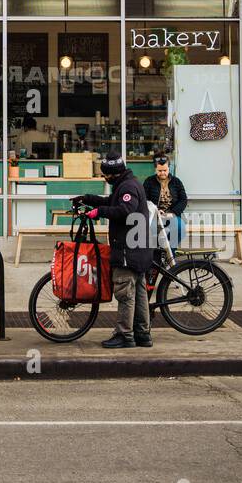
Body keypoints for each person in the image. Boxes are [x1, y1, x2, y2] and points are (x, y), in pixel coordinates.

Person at [77, 148, 152, 349]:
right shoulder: (127, 183)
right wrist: (89, 198)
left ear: (113, 173)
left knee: (125, 292)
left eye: (105, 174)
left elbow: (125, 211)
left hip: (129, 249)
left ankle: (124, 335)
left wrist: (98, 212)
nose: (104, 177)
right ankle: (142, 334)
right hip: (138, 247)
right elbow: (112, 202)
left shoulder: (127, 187)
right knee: (139, 292)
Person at [144, 153, 187, 252]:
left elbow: (183, 200)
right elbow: (145, 200)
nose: (162, 173)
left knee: (180, 229)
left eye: (165, 170)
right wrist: (156, 211)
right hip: (154, 217)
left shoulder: (176, 182)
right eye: (159, 170)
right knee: (150, 232)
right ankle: (156, 256)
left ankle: (170, 256)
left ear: (169, 168)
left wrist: (172, 212)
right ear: (155, 169)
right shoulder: (149, 181)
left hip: (173, 215)